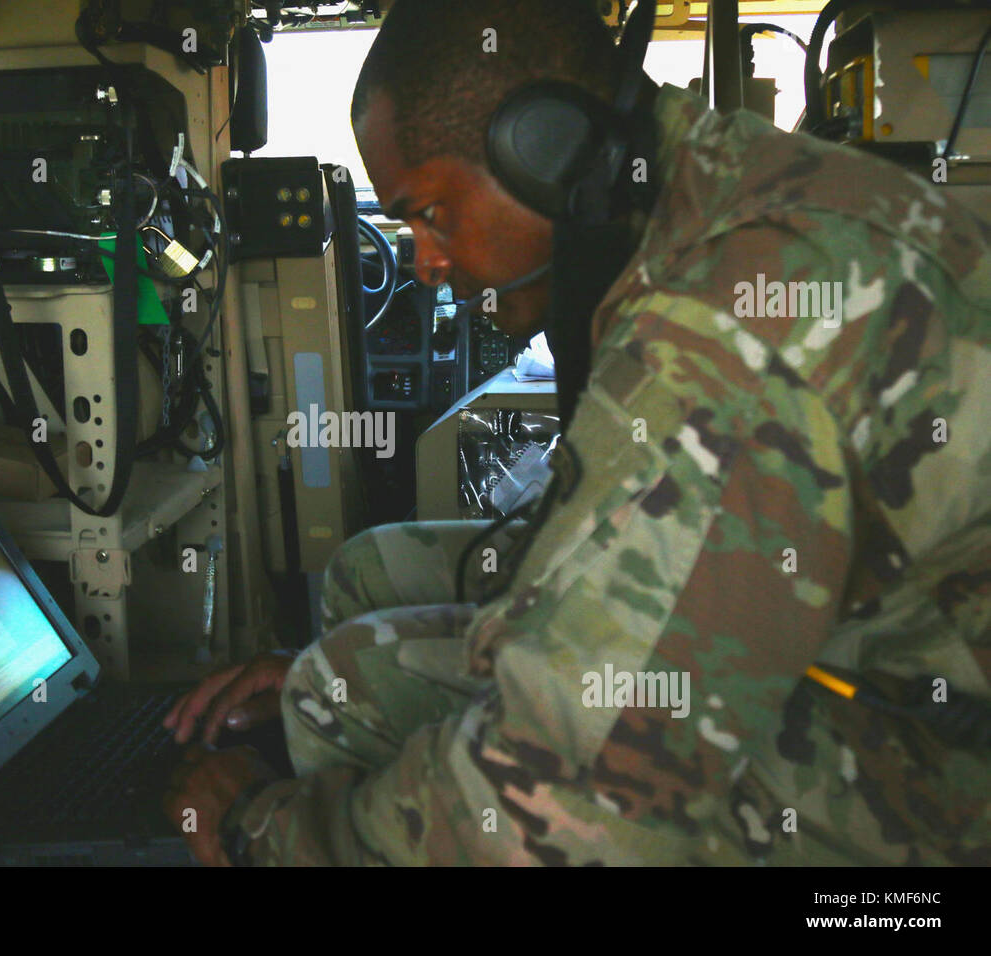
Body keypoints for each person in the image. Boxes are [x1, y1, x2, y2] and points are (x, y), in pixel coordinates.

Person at [162, 0, 991, 865]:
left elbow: (565, 807)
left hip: (944, 773)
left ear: (545, 151)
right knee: (367, 581)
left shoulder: (732, 317)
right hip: (865, 657)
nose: (424, 263)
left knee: (345, 690)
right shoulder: (706, 185)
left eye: (432, 215)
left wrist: (256, 828)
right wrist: (304, 668)